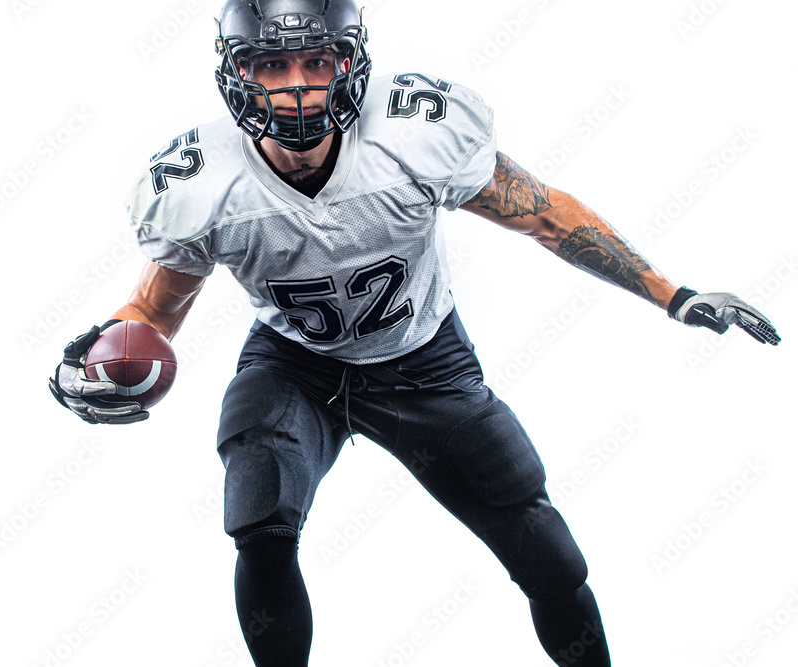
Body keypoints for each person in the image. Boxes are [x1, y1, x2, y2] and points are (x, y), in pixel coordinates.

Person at [49, 1, 780, 665]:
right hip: (295, 366)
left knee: (547, 552)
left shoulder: (411, 134)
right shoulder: (204, 184)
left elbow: (545, 215)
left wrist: (673, 294)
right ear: (239, 73)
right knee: (259, 513)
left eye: (317, 60)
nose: (297, 84)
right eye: (272, 64)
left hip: (425, 361)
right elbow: (157, 307)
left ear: (350, 63)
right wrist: (97, 355)